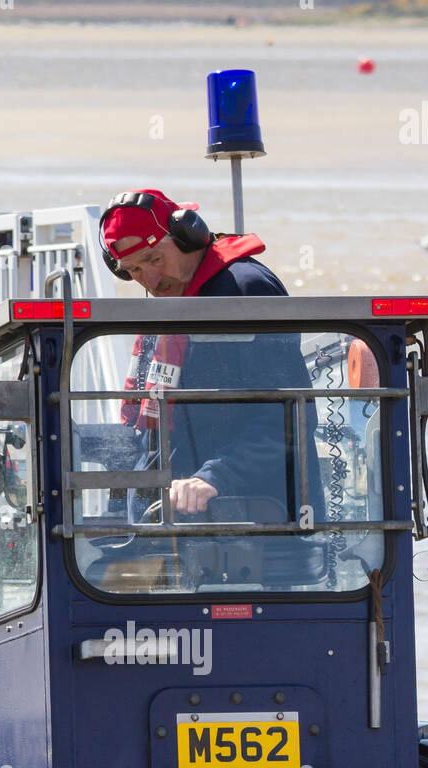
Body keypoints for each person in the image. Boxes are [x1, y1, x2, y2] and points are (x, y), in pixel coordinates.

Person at [99, 189, 319, 523]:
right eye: (134, 270)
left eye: (155, 259)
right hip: (172, 526)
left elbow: (290, 417)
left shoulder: (245, 291)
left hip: (255, 524)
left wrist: (213, 478)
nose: (152, 281)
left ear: (187, 236)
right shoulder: (169, 308)